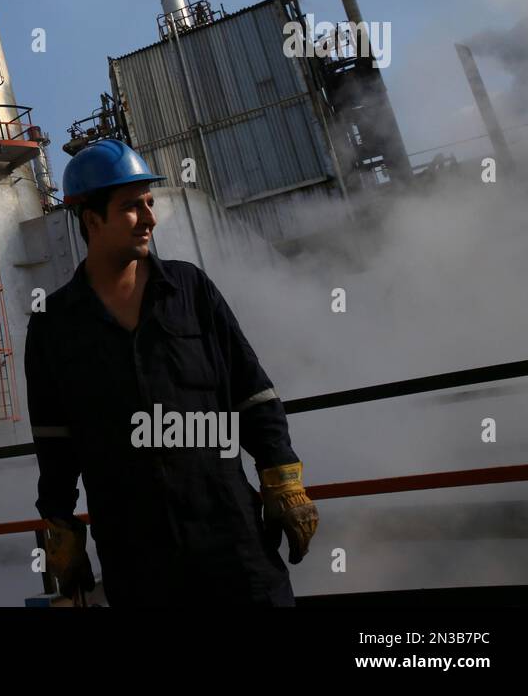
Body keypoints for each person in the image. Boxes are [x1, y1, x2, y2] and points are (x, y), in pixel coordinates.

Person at [26, 140, 318, 606]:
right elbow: (54, 439)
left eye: (149, 202)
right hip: (137, 555)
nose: (149, 218)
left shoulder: (190, 290)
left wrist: (283, 478)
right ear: (92, 220)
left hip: (230, 536)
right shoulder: (53, 325)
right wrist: (60, 525)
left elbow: (253, 391)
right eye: (131, 208)